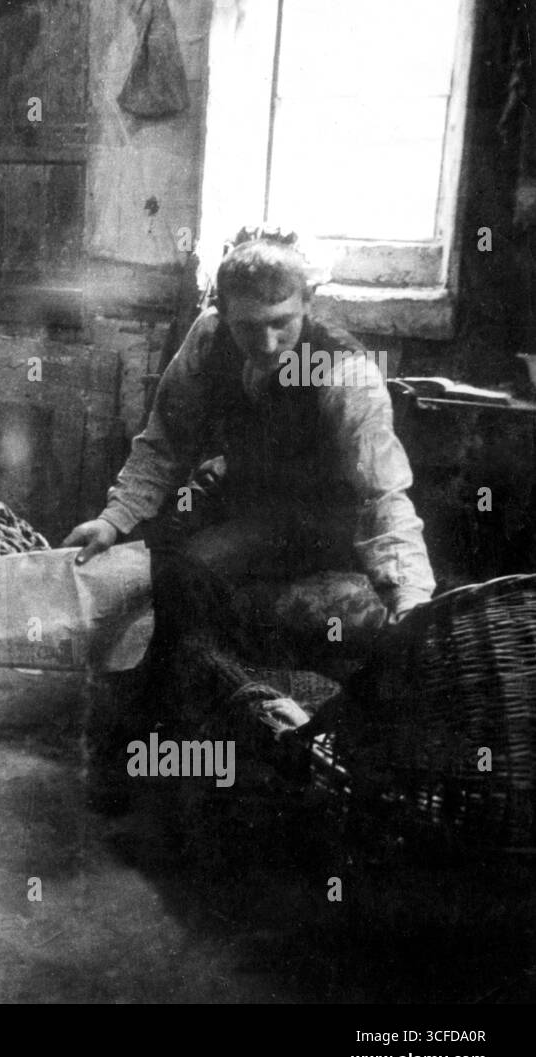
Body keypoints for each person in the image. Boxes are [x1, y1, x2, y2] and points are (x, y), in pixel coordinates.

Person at [65, 228, 436, 737]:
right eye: (248, 327)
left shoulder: (344, 371)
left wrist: (410, 600)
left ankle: (187, 726)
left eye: (282, 323)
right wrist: (114, 519)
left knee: (187, 573)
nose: (266, 343)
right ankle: (168, 720)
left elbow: (383, 494)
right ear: (222, 313)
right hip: (243, 502)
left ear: (308, 301)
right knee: (142, 558)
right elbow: (165, 441)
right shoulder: (208, 337)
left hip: (322, 525)